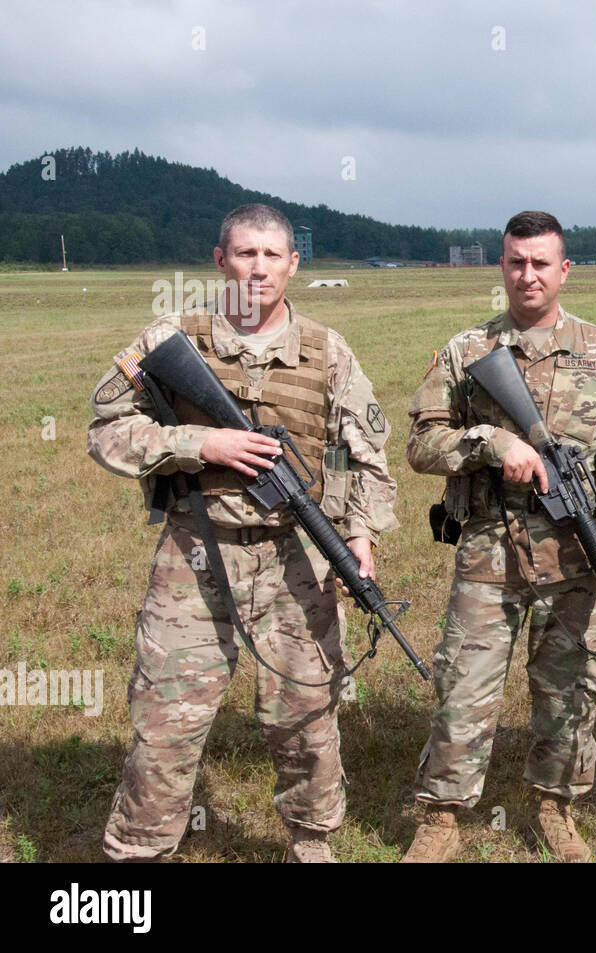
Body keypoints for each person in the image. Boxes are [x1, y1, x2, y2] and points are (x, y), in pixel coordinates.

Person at [89, 203, 398, 863]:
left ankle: (312, 844)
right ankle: (139, 851)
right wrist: (202, 442)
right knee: (167, 718)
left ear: (293, 263)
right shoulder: (174, 337)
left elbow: (367, 452)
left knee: (308, 714)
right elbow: (106, 431)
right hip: (195, 556)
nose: (258, 267)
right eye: (244, 253)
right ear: (219, 260)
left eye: (271, 254)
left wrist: (362, 537)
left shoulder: (326, 348)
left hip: (298, 558)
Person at [401, 210, 596, 863]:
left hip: (582, 545)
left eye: (541, 262)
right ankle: (440, 818)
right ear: (502, 266)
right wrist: (492, 441)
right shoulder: (467, 353)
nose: (528, 274)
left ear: (564, 270)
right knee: (465, 679)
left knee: (573, 683)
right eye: (516, 261)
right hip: (491, 540)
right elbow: (419, 444)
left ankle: (555, 806)